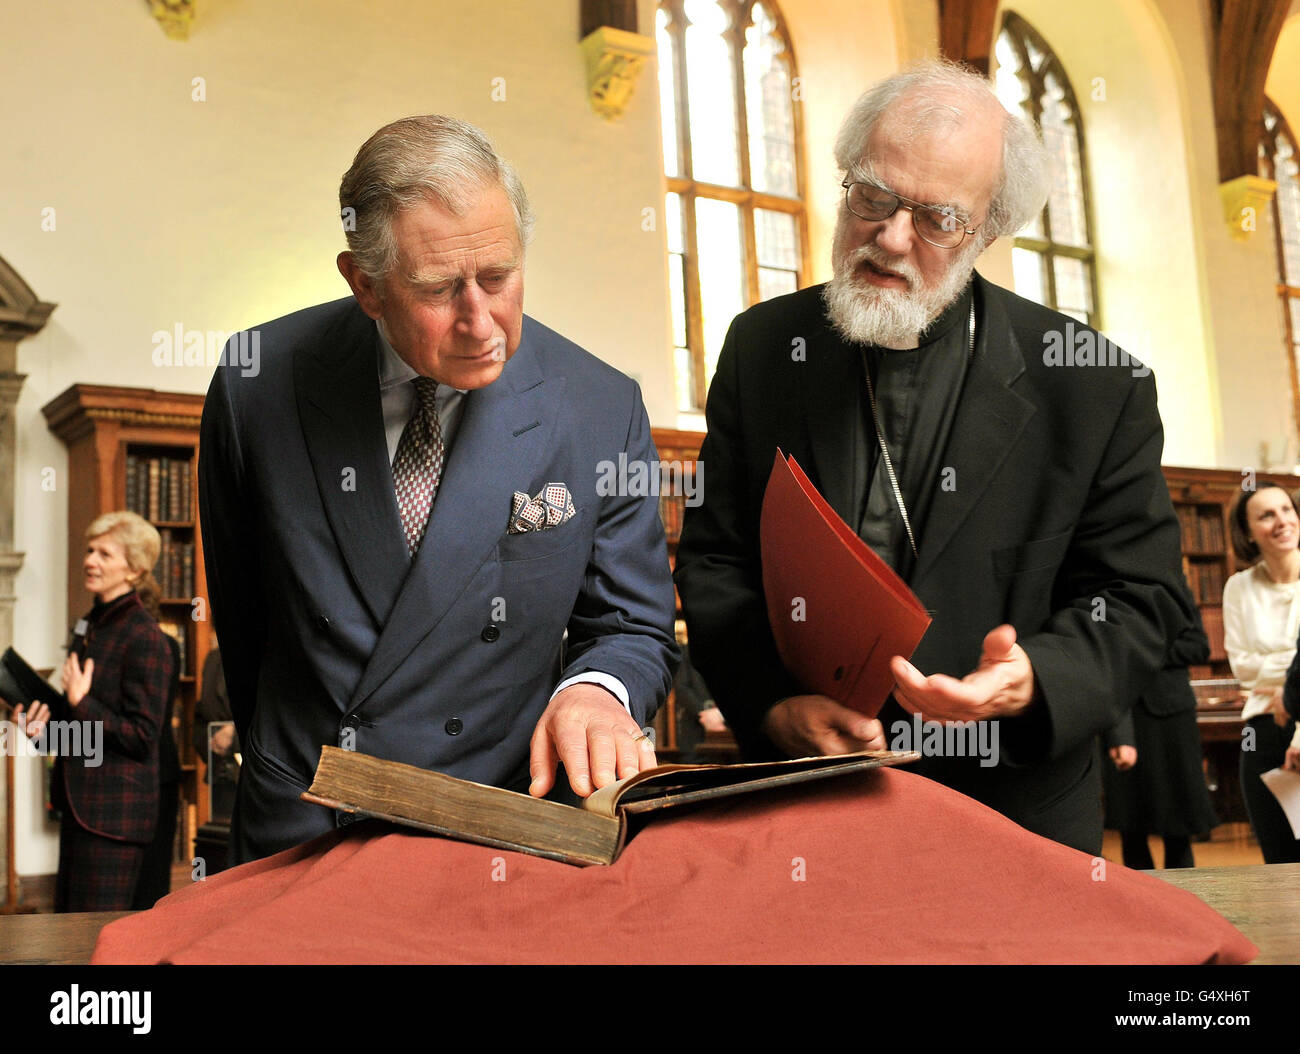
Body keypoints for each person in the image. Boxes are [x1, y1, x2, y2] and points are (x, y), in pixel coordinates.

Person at [674, 60, 1191, 854]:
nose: (888, 238)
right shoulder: (765, 350)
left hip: (1013, 812)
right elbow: (717, 562)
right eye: (872, 197)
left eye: (936, 219)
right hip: (810, 796)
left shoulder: (1094, 384)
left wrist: (1030, 679)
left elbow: (1139, 600)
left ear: (987, 229)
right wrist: (771, 705)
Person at [200, 115, 678, 864]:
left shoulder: (599, 405)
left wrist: (594, 691)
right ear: (365, 284)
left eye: (499, 277)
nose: (481, 322)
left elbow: (632, 626)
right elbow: (245, 618)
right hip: (307, 816)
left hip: (495, 824)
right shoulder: (257, 379)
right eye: (438, 289)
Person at [14, 512, 174, 910]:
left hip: (114, 820)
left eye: (105, 553)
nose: (90, 560)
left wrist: (83, 703)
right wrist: (42, 733)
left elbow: (141, 738)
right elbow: (87, 737)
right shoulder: (88, 625)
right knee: (69, 932)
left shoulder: (145, 636)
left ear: (135, 569)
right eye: (89, 550)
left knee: (94, 940)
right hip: (79, 808)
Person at [1100, 593, 1217, 870]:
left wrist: (1144, 651)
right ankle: (1141, 907)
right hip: (1124, 716)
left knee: (1178, 826)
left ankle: (1184, 906)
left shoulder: (1178, 595)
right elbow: (1107, 655)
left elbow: (1199, 648)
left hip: (1173, 718)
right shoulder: (1107, 594)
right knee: (1132, 826)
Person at [1222, 483, 1300, 863]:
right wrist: (1292, 670)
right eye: (1266, 515)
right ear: (1248, 531)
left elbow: (1258, 666)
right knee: (1280, 860)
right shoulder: (1238, 587)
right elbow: (1242, 666)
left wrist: (1287, 688)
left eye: (1286, 509)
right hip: (1262, 727)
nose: (1281, 521)